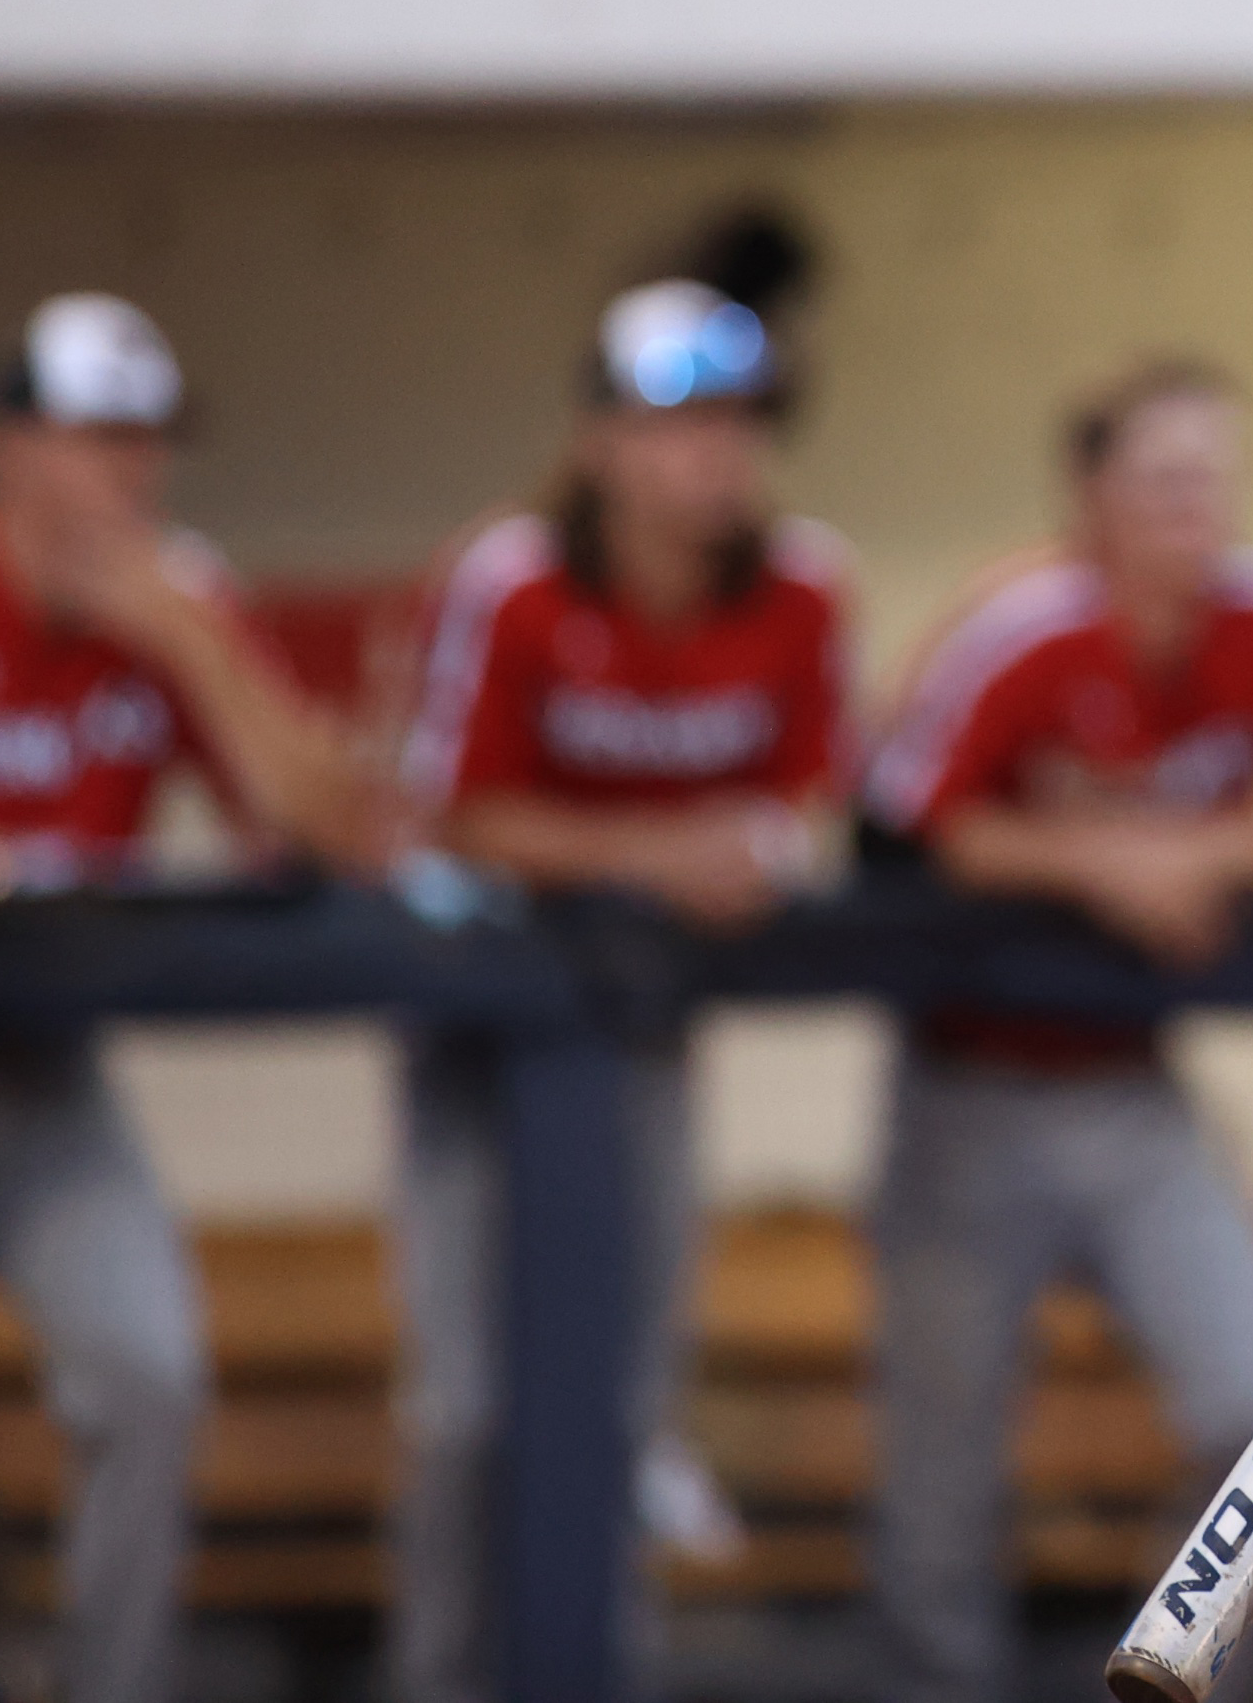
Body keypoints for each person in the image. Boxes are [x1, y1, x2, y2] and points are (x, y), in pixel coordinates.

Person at [0, 295, 369, 1703]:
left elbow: (329, 830)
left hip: (51, 1076)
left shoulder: (180, 596)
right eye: (92, 437)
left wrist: (193, 648)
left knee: (147, 1373)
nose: (126, 473)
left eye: (145, 440)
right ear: (10, 448)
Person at [859, 358, 1253, 1703]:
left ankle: (1181, 1679)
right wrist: (1099, 862)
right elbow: (909, 820)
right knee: (944, 1460)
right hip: (967, 1088)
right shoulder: (1023, 620)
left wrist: (1202, 856)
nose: (1193, 504)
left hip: (1135, 1090)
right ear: (1091, 494)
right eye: (1162, 477)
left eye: (1213, 475)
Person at [392, 276, 855, 1703]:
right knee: (467, 1406)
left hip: (643, 1035)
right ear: (599, 436)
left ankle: (609, 1672)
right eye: (675, 420)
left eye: (734, 419)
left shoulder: (799, 584)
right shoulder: (517, 580)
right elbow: (450, 812)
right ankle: (444, 1677)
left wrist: (761, 843)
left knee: (623, 1395)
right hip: (482, 1031)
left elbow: (827, 795)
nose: (710, 452)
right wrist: (662, 851)